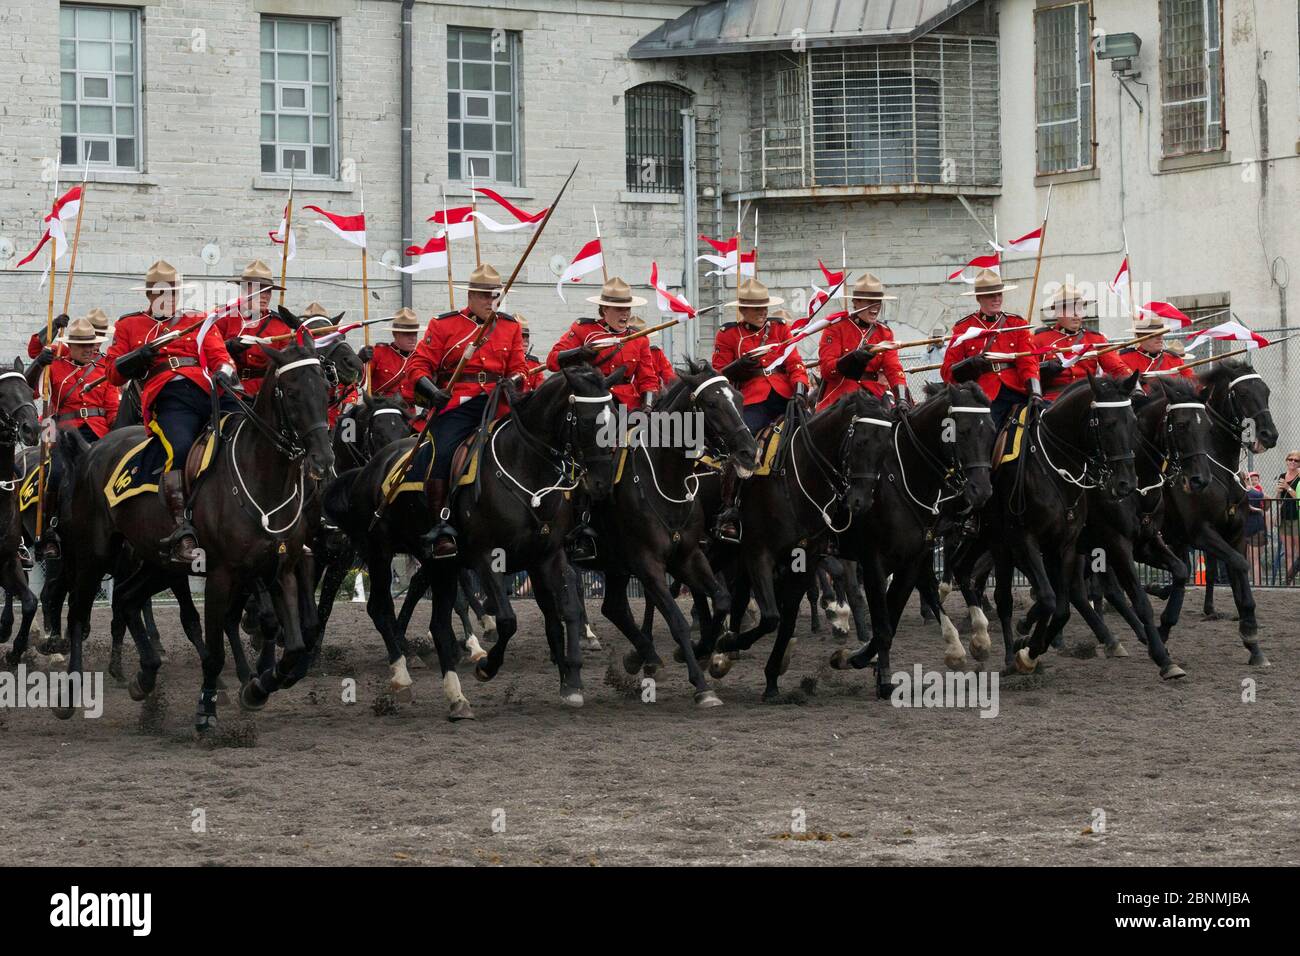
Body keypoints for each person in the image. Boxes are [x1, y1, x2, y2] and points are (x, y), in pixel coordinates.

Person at [107, 260, 241, 565]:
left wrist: (222, 370)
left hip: (210, 390)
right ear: (150, 295)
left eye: (172, 291)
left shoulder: (199, 321)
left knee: (250, 428)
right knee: (179, 447)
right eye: (160, 292)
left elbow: (221, 357)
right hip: (170, 396)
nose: (166, 297)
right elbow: (113, 374)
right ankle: (182, 528)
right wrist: (135, 359)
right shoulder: (129, 325)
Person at [405, 263, 526, 559]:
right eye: (484, 295)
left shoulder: (509, 326)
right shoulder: (444, 325)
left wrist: (513, 381)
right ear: (470, 296)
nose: (489, 301)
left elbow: (521, 367)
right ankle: (441, 526)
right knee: (443, 450)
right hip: (458, 403)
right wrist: (433, 392)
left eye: (493, 295)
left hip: (499, 403)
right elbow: (418, 366)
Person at [710, 277, 810, 542]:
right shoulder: (728, 333)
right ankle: (731, 508)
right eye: (756, 308)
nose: (763, 311)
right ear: (743, 310)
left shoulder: (780, 329)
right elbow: (719, 374)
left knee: (814, 437)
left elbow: (795, 364)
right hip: (752, 398)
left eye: (764, 306)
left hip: (785, 394)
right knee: (744, 446)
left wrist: (800, 390)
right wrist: (738, 367)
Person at [25, 314, 120, 559]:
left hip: (98, 430)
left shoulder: (103, 369)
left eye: (92, 344)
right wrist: (52, 329)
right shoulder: (55, 363)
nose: (90, 349)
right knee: (55, 473)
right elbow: (34, 351)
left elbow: (112, 410)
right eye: (83, 345)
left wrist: (116, 438)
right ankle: (50, 529)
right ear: (71, 346)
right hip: (59, 427)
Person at [940, 268, 1040, 428]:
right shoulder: (963, 328)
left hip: (1016, 388)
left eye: (999, 294)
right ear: (979, 298)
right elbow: (947, 371)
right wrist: (970, 364)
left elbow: (1028, 361)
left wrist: (1035, 390)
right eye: (990, 295)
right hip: (983, 393)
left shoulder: (1016, 324)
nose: (996, 299)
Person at [546, 277, 660, 410]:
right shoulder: (584, 330)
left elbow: (648, 380)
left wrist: (647, 405)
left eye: (627, 308)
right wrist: (579, 353)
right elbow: (552, 361)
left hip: (625, 404)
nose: (625, 313)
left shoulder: (639, 338)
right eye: (618, 309)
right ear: (605, 310)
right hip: (589, 400)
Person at [816, 272, 907, 410]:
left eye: (878, 302)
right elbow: (827, 370)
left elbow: (893, 368)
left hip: (874, 394)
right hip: (842, 393)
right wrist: (852, 358)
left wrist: (901, 398)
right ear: (856, 302)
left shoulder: (884, 332)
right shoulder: (835, 328)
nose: (876, 307)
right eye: (870, 302)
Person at [1032, 284, 1129, 400]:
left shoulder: (1095, 339)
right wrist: (1044, 367)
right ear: (1058, 312)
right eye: (1070, 310)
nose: (1076, 314)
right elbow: (1028, 369)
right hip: (1055, 400)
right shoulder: (1039, 338)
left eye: (1079, 309)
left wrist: (1135, 387)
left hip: (1088, 398)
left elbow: (1117, 369)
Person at [223, 259, 289, 396]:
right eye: (260, 290)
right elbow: (204, 352)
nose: (265, 296)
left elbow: (288, 363)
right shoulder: (224, 319)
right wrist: (226, 346)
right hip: (228, 388)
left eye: (268, 291)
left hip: (267, 392)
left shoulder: (280, 325)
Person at [360, 306, 420, 411]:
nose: (413, 338)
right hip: (381, 411)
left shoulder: (419, 358)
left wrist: (429, 407)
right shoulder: (378, 353)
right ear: (395, 334)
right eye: (407, 334)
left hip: (408, 415)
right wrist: (360, 360)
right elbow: (358, 380)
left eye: (415, 333)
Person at [1116, 314, 1195, 388]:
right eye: (1154, 334)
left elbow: (1193, 384)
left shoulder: (1174, 359)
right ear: (1140, 336)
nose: (1160, 337)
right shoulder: (1123, 359)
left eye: (1161, 333)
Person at [1275, 451, 1300, 583]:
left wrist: (1288, 487)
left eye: (1296, 460)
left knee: (1298, 552)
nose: (1292, 462)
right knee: (1288, 552)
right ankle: (1289, 580)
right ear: (1286, 460)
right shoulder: (1282, 476)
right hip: (1284, 517)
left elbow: (1298, 497)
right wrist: (1278, 492)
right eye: (1290, 459)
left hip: (1297, 517)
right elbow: (1278, 500)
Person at [517, 312, 547, 392]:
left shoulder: (533, 363)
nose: (526, 340)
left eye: (527, 336)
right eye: (522, 336)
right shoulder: (502, 360)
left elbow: (541, 388)